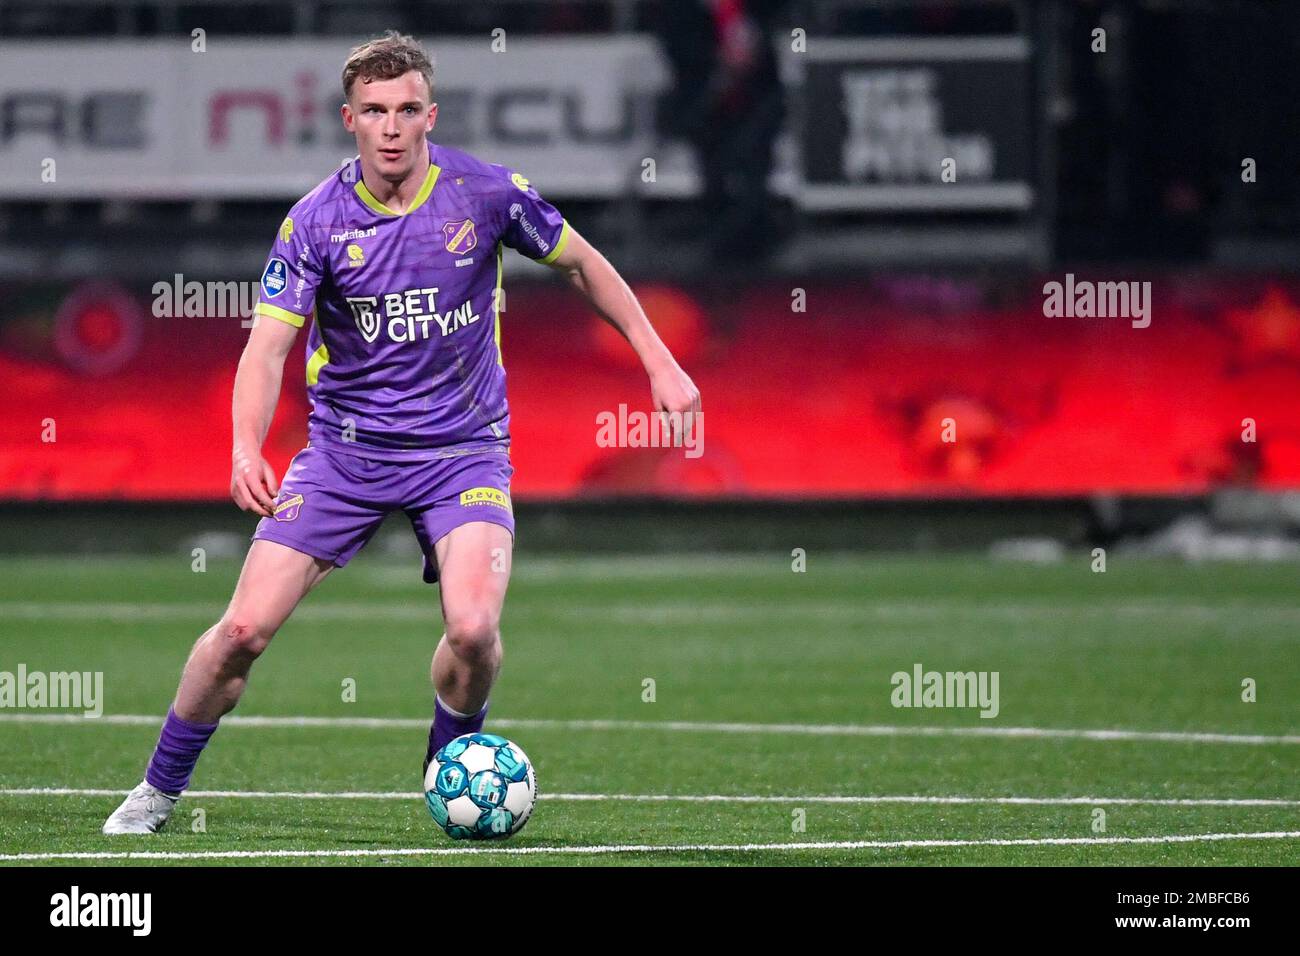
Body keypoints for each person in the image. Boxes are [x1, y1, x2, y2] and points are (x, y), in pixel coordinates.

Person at [102, 30, 700, 834]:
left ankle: (447, 763)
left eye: (407, 109)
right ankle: (158, 790)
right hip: (344, 457)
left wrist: (658, 362)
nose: (391, 126)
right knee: (242, 630)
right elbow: (267, 346)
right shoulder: (315, 222)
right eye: (375, 111)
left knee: (476, 631)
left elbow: (582, 263)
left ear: (431, 116)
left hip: (464, 452)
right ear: (350, 119)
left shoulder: (485, 194)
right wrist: (247, 445)